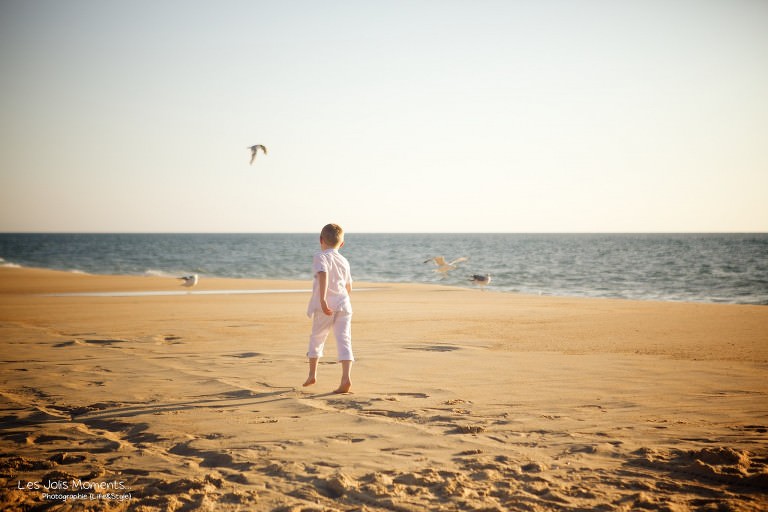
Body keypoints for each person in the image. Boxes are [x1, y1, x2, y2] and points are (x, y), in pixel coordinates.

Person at [303, 223, 354, 393]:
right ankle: (345, 378)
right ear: (342, 244)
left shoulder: (321, 256)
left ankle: (312, 374)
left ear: (321, 240)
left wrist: (323, 300)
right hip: (344, 304)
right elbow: (349, 286)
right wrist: (344, 299)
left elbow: (323, 274)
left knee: (317, 338)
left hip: (326, 305)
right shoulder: (344, 260)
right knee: (344, 339)